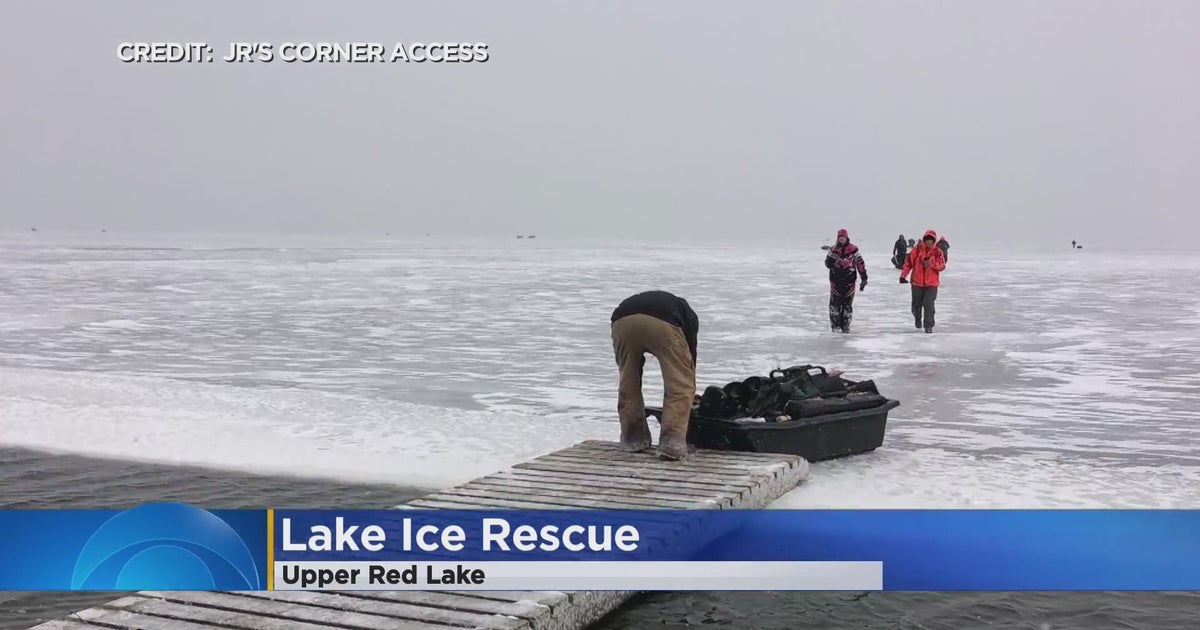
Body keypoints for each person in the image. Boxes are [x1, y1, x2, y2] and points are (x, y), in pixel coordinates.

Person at [610, 290, 699, 460]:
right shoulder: (690, 317)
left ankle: (633, 438)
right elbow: (689, 356)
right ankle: (672, 443)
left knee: (628, 381)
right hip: (663, 324)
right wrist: (691, 382)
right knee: (680, 385)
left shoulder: (670, 304)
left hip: (622, 321)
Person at [900, 230, 946, 333]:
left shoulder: (938, 252)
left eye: (931, 240)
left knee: (928, 304)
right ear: (924, 240)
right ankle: (917, 318)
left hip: (931, 284)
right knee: (916, 305)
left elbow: (942, 266)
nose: (929, 242)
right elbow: (908, 263)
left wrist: (932, 263)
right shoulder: (916, 250)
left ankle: (928, 325)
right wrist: (903, 275)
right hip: (917, 283)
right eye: (927, 240)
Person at [825, 229, 868, 333]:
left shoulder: (854, 250)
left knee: (847, 307)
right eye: (840, 237)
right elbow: (827, 263)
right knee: (835, 306)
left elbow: (860, 263)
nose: (841, 239)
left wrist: (864, 277)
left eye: (843, 237)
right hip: (835, 281)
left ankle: (846, 326)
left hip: (849, 282)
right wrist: (832, 262)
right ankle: (835, 327)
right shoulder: (832, 250)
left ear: (846, 237)